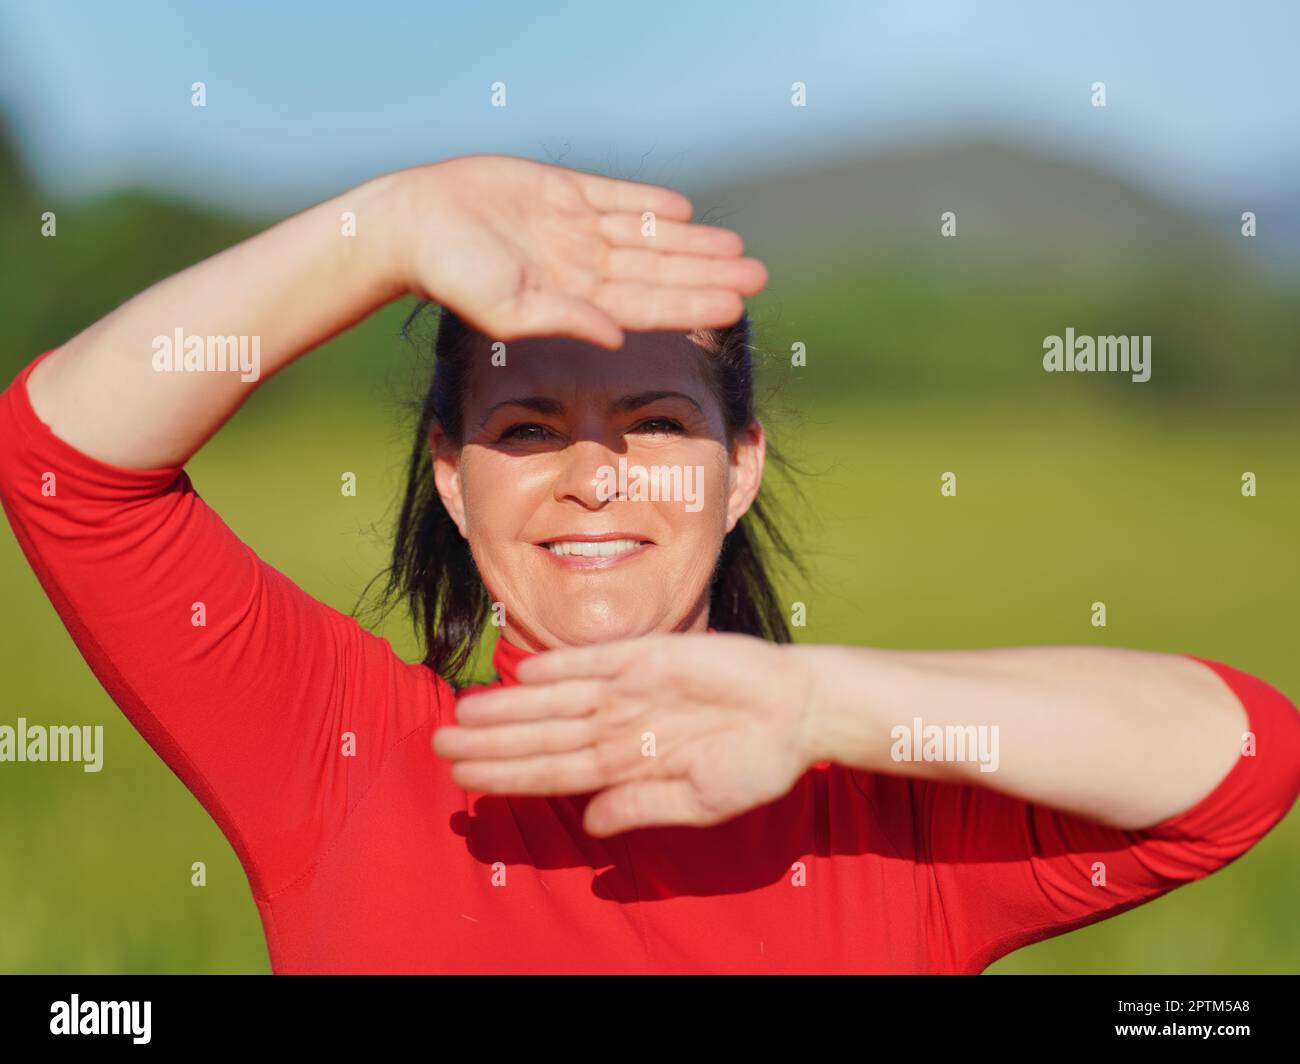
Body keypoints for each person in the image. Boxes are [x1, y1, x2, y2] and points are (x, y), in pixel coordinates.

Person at [2, 154, 1297, 973]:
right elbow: (65, 459)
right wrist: (387, 227)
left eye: (659, 422)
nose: (595, 473)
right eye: (527, 429)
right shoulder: (341, 750)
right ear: (451, 481)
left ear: (740, 467)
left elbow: (1243, 763)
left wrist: (823, 706)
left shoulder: (874, 814)